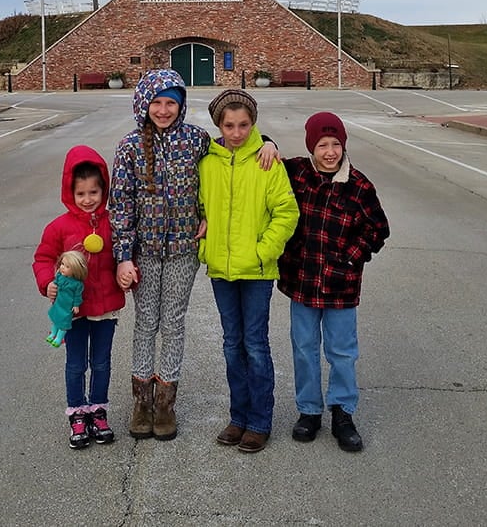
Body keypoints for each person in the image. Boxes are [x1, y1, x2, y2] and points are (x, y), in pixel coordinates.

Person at [109, 69, 277, 442]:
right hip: (145, 252)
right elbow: (119, 205)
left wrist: (268, 141)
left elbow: (235, 147)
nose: (164, 110)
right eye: (157, 102)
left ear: (182, 105)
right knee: (145, 324)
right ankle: (142, 402)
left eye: (171, 103)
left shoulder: (197, 140)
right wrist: (123, 255)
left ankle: (166, 403)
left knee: (173, 324)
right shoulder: (129, 147)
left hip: (184, 252)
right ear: (144, 104)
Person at [278, 111, 390, 452]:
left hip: (341, 286)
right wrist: (267, 145)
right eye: (323, 144)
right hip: (302, 280)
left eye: (336, 144)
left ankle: (342, 411)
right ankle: (309, 411)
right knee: (304, 348)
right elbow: (262, 157)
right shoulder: (296, 173)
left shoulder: (359, 186)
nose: (330, 152)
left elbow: (377, 229)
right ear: (311, 146)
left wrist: (350, 257)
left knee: (341, 351)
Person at [198, 89, 299, 454]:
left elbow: (286, 212)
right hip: (221, 271)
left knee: (255, 345)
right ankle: (237, 416)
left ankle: (259, 421)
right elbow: (198, 206)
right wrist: (203, 237)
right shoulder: (207, 160)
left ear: (253, 124)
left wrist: (263, 252)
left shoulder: (267, 161)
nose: (237, 132)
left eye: (244, 125)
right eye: (229, 125)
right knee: (231, 345)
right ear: (218, 125)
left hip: (256, 271)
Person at [33, 145, 125, 449]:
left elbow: (125, 254)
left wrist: (126, 270)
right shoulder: (59, 227)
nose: (88, 200)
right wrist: (47, 283)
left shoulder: (113, 224)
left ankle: (98, 410)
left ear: (104, 190)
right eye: (81, 193)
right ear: (70, 192)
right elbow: (43, 258)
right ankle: (76, 412)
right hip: (74, 312)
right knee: (75, 364)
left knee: (101, 362)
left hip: (106, 308)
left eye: (94, 193)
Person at [45, 250, 88, 347]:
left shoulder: (77, 284)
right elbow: (56, 283)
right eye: (62, 264)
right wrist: (52, 291)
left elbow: (77, 296)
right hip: (58, 302)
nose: (62, 268)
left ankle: (59, 338)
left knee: (64, 322)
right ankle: (53, 334)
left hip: (67, 305)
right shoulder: (60, 276)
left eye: (67, 266)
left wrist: (76, 305)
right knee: (56, 319)